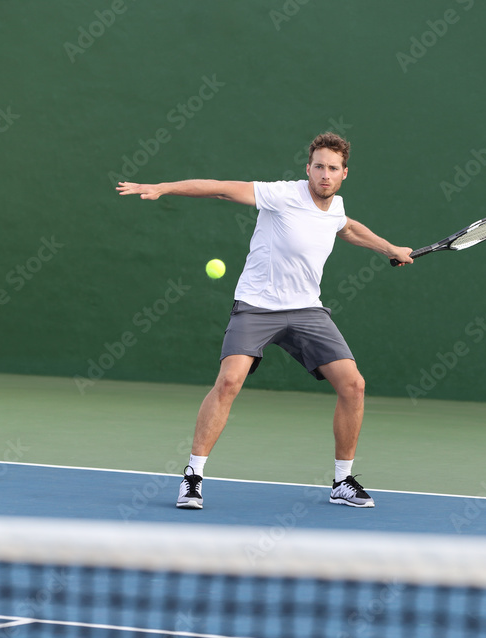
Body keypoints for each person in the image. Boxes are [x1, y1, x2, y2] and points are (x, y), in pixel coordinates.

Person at [116, 132, 412, 510]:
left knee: (353, 385)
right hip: (257, 305)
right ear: (308, 168)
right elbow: (223, 189)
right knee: (228, 382)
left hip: (306, 309)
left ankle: (342, 481)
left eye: (332, 168)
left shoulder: (335, 206)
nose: (324, 174)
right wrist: (164, 187)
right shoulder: (284, 194)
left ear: (344, 174)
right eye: (318, 166)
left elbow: (348, 227)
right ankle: (193, 477)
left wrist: (390, 249)